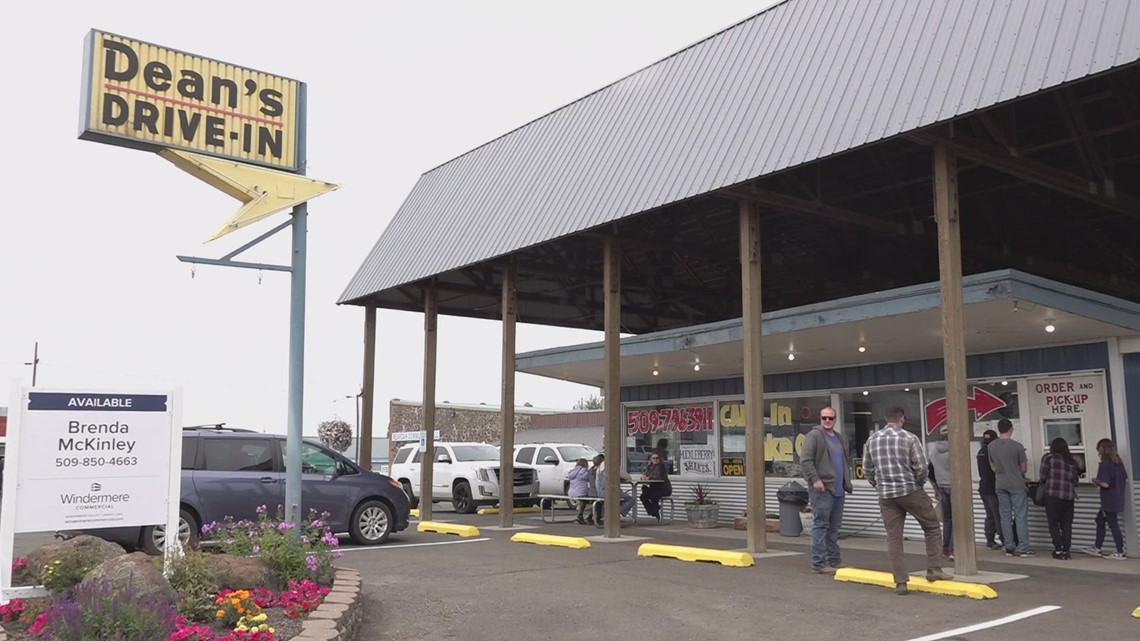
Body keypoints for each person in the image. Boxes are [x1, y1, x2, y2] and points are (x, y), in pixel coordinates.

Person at [862, 406, 951, 595]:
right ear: (902, 419)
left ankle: (901, 582)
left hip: (886, 495)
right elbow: (922, 468)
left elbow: (867, 469)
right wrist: (917, 484)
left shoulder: (872, 440)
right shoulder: (909, 438)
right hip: (910, 490)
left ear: (887, 419)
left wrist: (878, 486)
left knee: (894, 538)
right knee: (932, 527)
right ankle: (934, 569)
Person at [800, 406, 853, 574]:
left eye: (830, 418)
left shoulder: (838, 438)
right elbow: (806, 461)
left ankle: (834, 560)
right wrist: (815, 480)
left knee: (834, 527)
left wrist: (846, 483)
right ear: (820, 419)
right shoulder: (814, 436)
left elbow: (844, 461)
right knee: (821, 525)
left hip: (838, 489)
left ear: (835, 420)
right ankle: (819, 563)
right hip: (822, 489)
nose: (827, 421)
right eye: (824, 418)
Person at [989, 418, 1035, 557]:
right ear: (1011, 429)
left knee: (1005, 516)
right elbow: (1024, 468)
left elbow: (993, 467)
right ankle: (1024, 546)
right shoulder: (1017, 446)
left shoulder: (991, 446)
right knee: (1020, 516)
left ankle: (1008, 546)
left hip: (1000, 483)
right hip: (1016, 484)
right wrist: (1016, 472)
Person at [1084, 438, 1129, 559]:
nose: (1098, 451)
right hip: (1117, 497)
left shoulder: (1105, 464)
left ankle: (1119, 551)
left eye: (1098, 449)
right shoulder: (1119, 463)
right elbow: (1124, 479)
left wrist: (1096, 481)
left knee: (1113, 524)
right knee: (1100, 520)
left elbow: (1105, 484)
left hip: (1108, 499)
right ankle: (1097, 547)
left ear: (1102, 449)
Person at [1039, 438, 1080, 560]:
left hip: (1053, 495)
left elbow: (1042, 476)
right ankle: (1066, 551)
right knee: (1067, 524)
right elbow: (1075, 481)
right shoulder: (1071, 461)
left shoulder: (1048, 458)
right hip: (1068, 497)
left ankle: (1058, 550)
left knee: (1053, 523)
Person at [927, 424, 953, 561]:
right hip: (955, 486)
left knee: (947, 519)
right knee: (958, 519)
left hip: (941, 486)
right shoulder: (955, 450)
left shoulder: (933, 451)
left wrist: (935, 489)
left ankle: (945, 548)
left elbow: (929, 472)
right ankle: (954, 549)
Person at [976, 429, 1004, 550]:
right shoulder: (993, 452)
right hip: (993, 488)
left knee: (990, 515)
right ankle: (1004, 539)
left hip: (983, 488)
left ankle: (990, 539)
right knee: (998, 515)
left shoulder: (980, 452)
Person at [596, 453, 636, 523]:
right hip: (612, 491)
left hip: (601, 492)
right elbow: (628, 477)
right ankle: (618, 514)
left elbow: (596, 482)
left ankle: (610, 516)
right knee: (630, 500)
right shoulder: (614, 465)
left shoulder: (599, 468)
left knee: (617, 500)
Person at [640, 451, 672, 522]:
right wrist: (643, 477)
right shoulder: (649, 467)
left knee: (653, 496)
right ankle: (653, 511)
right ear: (651, 459)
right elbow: (645, 475)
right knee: (643, 495)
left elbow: (658, 476)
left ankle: (655, 511)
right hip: (654, 488)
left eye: (657, 458)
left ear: (660, 459)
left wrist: (648, 478)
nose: (655, 460)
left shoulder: (661, 466)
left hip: (663, 488)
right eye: (653, 458)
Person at [567, 458, 590, 525]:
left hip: (571, 492)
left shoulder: (572, 471)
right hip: (581, 492)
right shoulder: (584, 471)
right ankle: (581, 514)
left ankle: (580, 515)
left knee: (583, 499)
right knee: (587, 499)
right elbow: (589, 478)